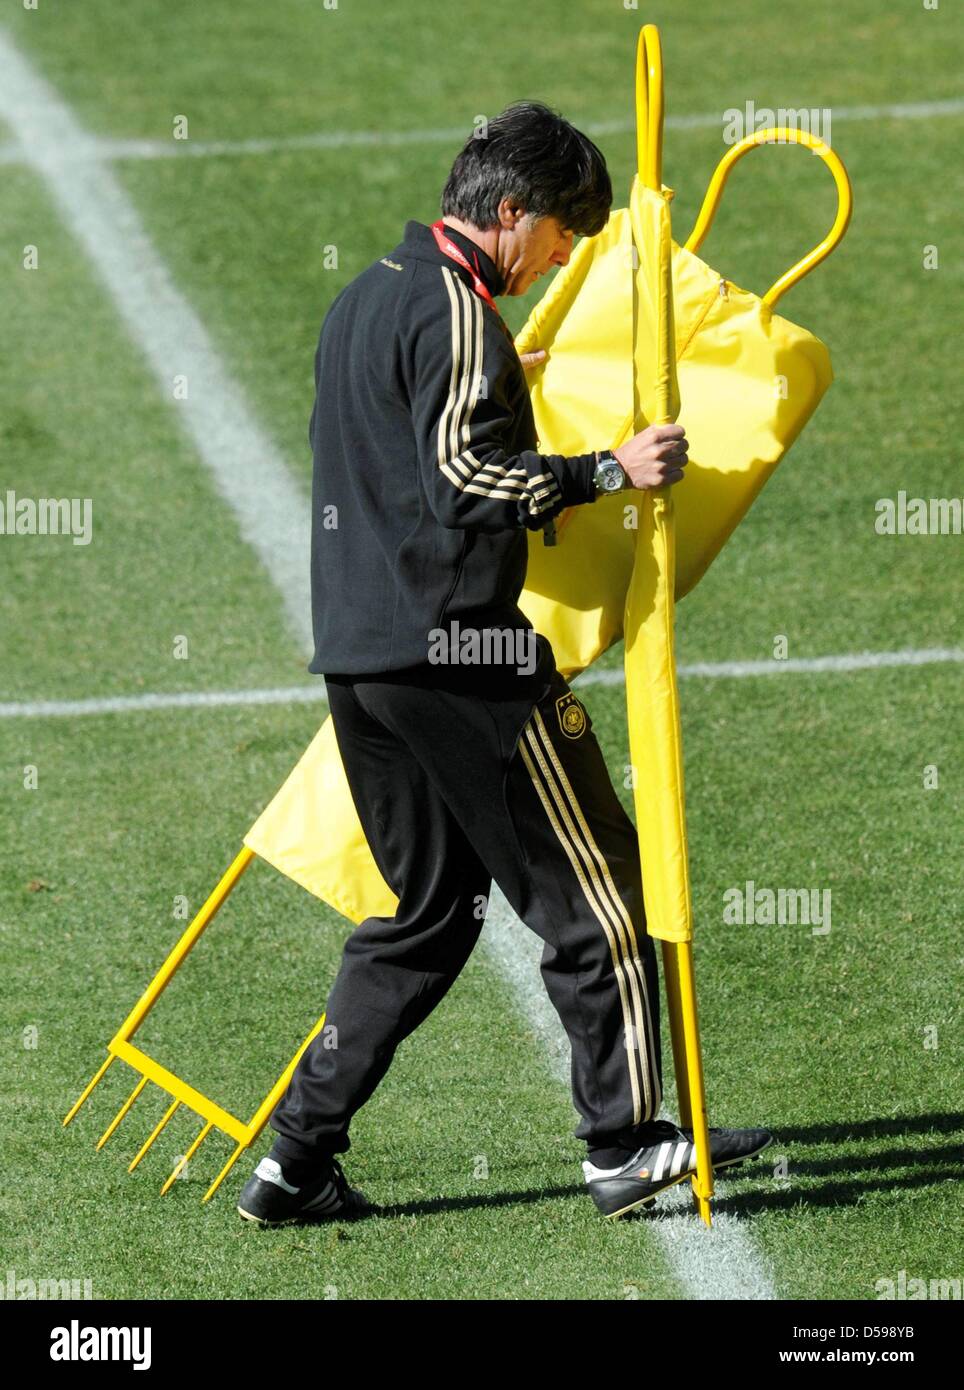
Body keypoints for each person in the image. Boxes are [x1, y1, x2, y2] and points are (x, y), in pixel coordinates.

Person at [238, 100, 770, 1227]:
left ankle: (293, 1158)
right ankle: (625, 1145)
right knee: (602, 893)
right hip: (465, 656)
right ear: (511, 213)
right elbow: (459, 487)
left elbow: (394, 439)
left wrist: (501, 380)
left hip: (363, 662)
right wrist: (603, 471)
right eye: (562, 237)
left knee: (426, 915)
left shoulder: (368, 296)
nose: (562, 258)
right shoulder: (458, 313)